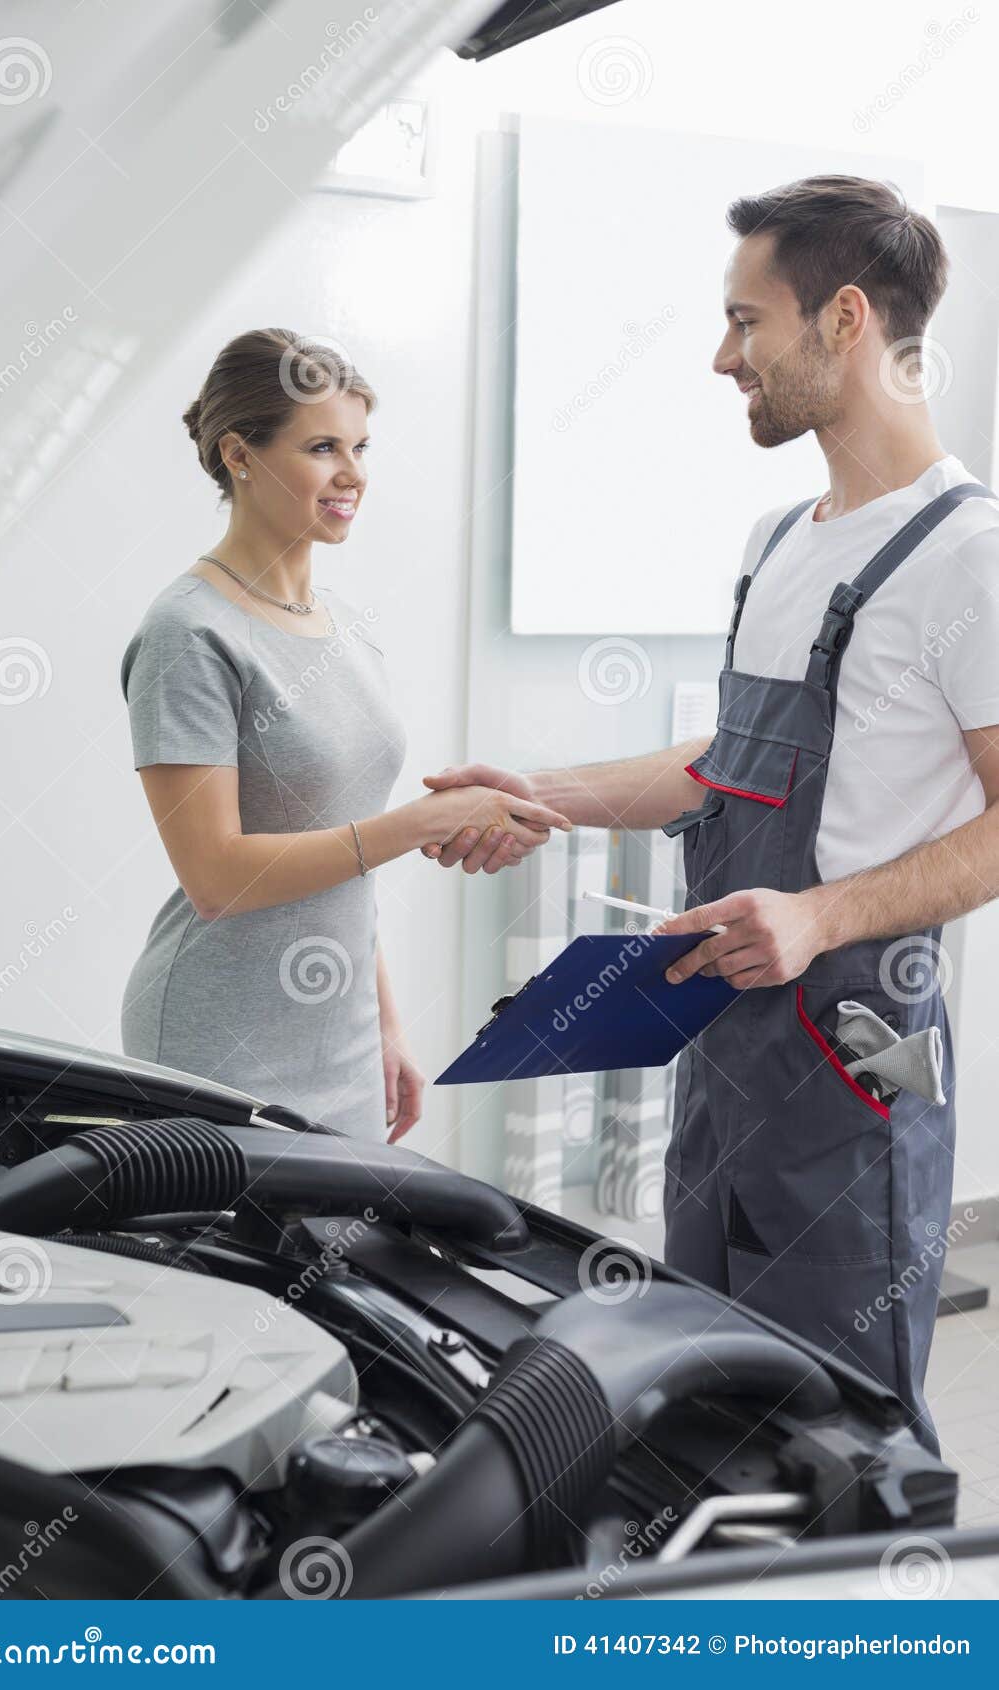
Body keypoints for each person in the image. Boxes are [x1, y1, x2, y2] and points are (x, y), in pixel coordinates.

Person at [423, 177, 999, 1454]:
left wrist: (818, 912)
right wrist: (540, 794)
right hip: (724, 1051)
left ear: (843, 319)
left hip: (852, 1068)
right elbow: (729, 762)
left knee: (835, 1436)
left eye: (745, 322)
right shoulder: (778, 535)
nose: (720, 357)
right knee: (708, 1408)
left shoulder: (971, 554)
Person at [119, 328, 570, 1141]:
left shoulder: (344, 631)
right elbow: (215, 878)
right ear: (239, 454)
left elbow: (340, 865)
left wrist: (383, 1022)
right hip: (219, 1041)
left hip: (342, 1037)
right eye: (322, 447)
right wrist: (423, 823)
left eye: (360, 446)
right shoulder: (187, 634)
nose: (353, 474)